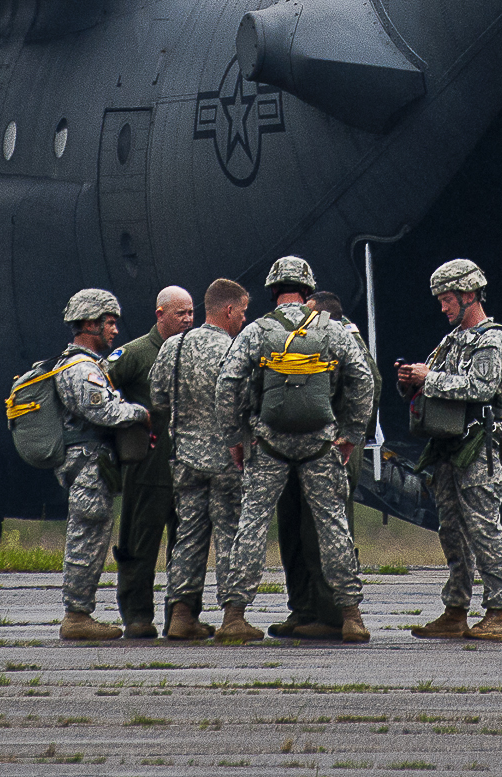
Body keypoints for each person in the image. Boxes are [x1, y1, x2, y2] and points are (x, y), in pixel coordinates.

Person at [211, 255, 374, 644]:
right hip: (320, 444)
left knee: (251, 526)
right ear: (306, 289)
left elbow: (227, 385)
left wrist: (235, 438)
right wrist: (351, 433)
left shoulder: (256, 331)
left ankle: (234, 616)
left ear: (272, 290)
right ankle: (351, 616)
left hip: (269, 444)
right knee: (333, 527)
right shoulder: (332, 330)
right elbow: (363, 380)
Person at [395, 257, 502, 642]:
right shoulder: (450, 342)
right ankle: (455, 610)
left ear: (468, 295)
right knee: (451, 530)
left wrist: (429, 378)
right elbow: (437, 378)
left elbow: (481, 388)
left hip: (479, 450)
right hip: (449, 448)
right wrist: (412, 380)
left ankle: (498, 613)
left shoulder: (493, 341)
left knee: (484, 529)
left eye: (447, 299)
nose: (443, 307)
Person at [50, 286, 151, 642]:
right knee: (87, 537)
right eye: (109, 323)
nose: (115, 331)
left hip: (93, 464)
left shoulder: (85, 365)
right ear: (90, 325)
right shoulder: (81, 369)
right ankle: (77, 616)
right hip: (89, 465)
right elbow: (102, 410)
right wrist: (140, 413)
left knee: (91, 534)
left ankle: (79, 612)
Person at [156, 277, 249, 640]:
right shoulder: (237, 349)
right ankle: (233, 617)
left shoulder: (174, 348)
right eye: (241, 312)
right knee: (230, 535)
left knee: (188, 537)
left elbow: (159, 397)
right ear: (228, 310)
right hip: (229, 461)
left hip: (185, 460)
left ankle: (181, 616)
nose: (243, 319)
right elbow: (245, 402)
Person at [104, 285, 195, 639]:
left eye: (191, 313)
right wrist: (127, 424)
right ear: (160, 315)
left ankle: (182, 616)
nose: (188, 320)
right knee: (139, 543)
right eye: (180, 314)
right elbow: (97, 386)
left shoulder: (195, 351)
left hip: (189, 466)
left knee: (187, 543)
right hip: (147, 467)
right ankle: (137, 616)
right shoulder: (138, 353)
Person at [267, 290, 357, 639]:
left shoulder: (343, 336)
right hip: (297, 449)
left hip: (331, 449)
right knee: (293, 529)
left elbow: (369, 384)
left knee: (323, 532)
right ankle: (303, 608)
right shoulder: (303, 338)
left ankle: (332, 612)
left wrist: (348, 433)